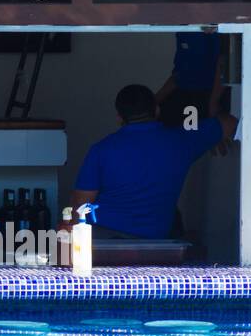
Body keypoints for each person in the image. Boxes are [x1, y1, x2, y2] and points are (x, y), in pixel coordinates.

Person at [72, 83, 237, 240]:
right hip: (155, 243)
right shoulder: (183, 141)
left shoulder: (101, 149)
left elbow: (81, 205)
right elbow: (231, 122)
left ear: (119, 117)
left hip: (104, 240)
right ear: (156, 110)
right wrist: (212, 106)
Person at [153, 0, 229, 134]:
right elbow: (182, 71)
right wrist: (153, 101)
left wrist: (213, 105)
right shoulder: (184, 19)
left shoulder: (218, 11)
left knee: (193, 137)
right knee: (147, 123)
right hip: (187, 94)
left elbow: (225, 61)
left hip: (211, 95)